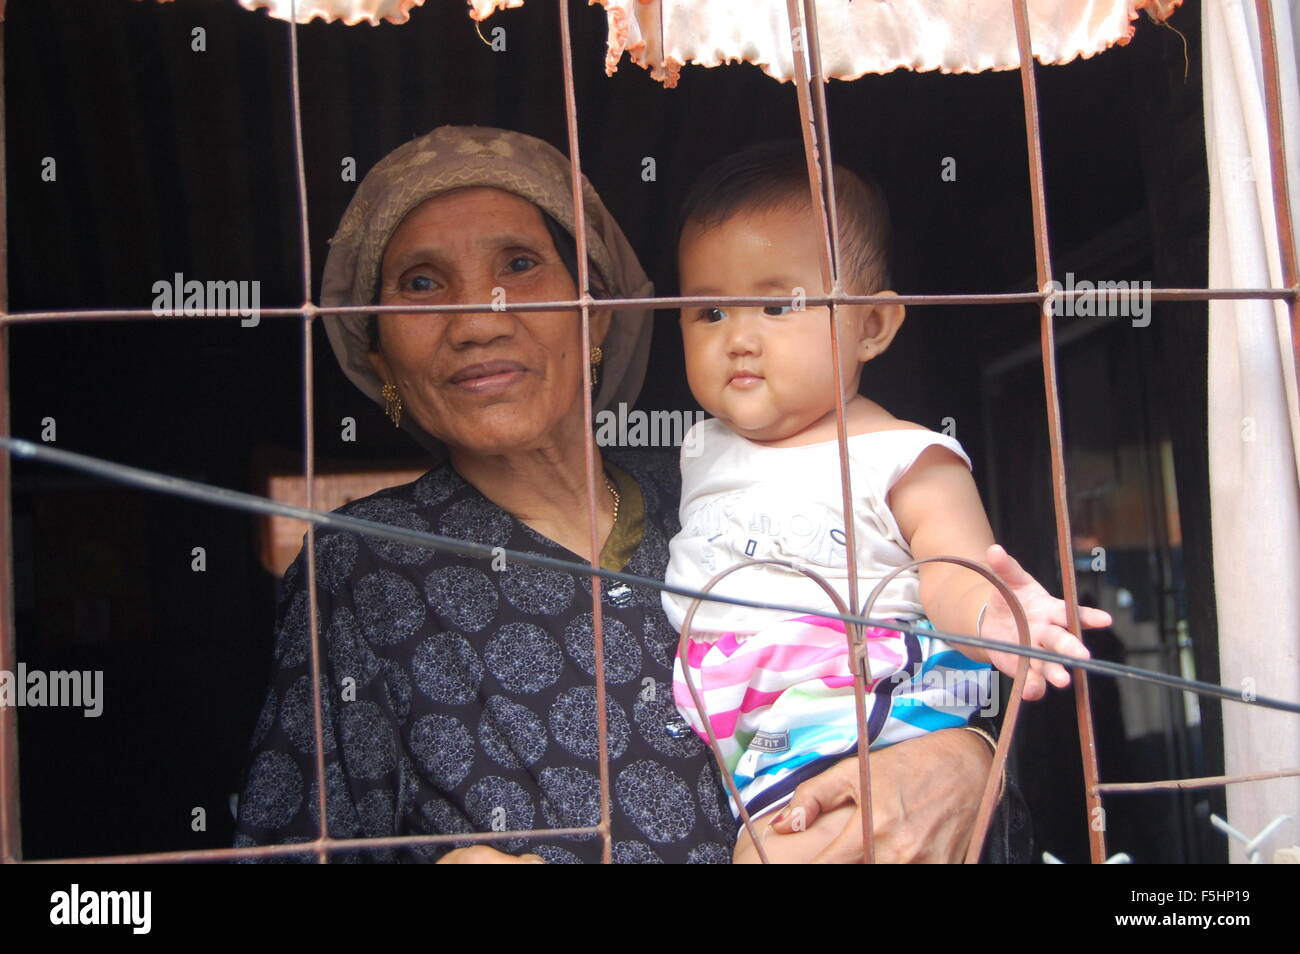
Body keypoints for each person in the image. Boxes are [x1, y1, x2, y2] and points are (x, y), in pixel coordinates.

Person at [234, 125, 1024, 863]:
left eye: (518, 264)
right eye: (420, 282)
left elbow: (947, 693)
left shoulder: (726, 489)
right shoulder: (362, 567)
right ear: (380, 356)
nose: (480, 318)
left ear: (600, 311)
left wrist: (964, 762)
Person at [663, 142, 1112, 863]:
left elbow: (955, 568)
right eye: (708, 311)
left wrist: (994, 616)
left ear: (871, 326)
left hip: (859, 705)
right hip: (752, 728)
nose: (738, 338)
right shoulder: (700, 447)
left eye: (779, 304)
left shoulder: (904, 456)